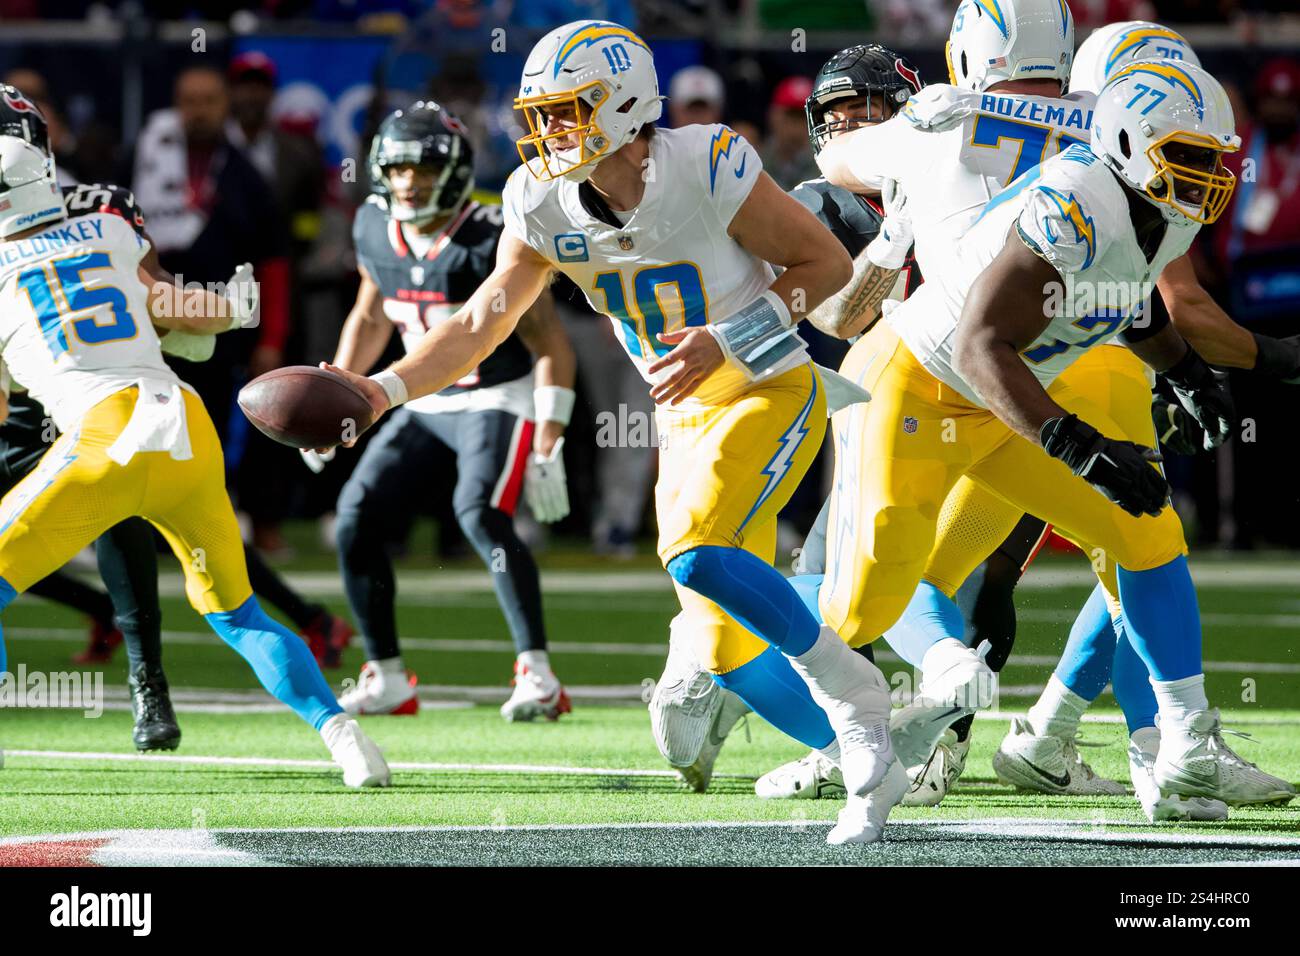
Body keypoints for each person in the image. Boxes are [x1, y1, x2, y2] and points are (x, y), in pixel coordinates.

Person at [317, 20, 925, 845]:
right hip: (680, 413)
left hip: (765, 382)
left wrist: (728, 335)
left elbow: (824, 266)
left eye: (567, 111)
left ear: (628, 105)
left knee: (695, 550)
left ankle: (859, 704)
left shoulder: (704, 161)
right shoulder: (538, 197)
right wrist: (378, 388)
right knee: (720, 642)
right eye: (541, 114)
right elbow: (478, 324)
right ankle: (873, 761)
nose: (546, 132)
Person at [814, 44, 1294, 819]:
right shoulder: (1073, 199)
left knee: (1146, 530)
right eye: (1189, 157)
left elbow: (1126, 298)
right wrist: (1080, 445)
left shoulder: (1158, 206)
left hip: (1003, 391)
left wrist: (1181, 370)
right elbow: (979, 342)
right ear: (1132, 147)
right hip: (922, 383)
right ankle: (840, 724)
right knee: (868, 593)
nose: (1209, 178)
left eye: (1215, 160)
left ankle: (1183, 738)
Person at [0, 86, 387, 788]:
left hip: (104, 438)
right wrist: (229, 309)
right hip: (182, 422)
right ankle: (346, 738)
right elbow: (175, 308)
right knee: (237, 612)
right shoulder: (106, 227)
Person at [314, 101, 577, 722]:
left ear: (456, 172)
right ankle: (387, 675)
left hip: (498, 396)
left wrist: (550, 436)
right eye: (399, 170)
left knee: (479, 514)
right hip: (421, 399)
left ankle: (538, 674)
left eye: (424, 170)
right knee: (354, 517)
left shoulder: (492, 234)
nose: (409, 182)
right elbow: (371, 315)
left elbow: (552, 346)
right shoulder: (374, 226)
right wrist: (342, 397)